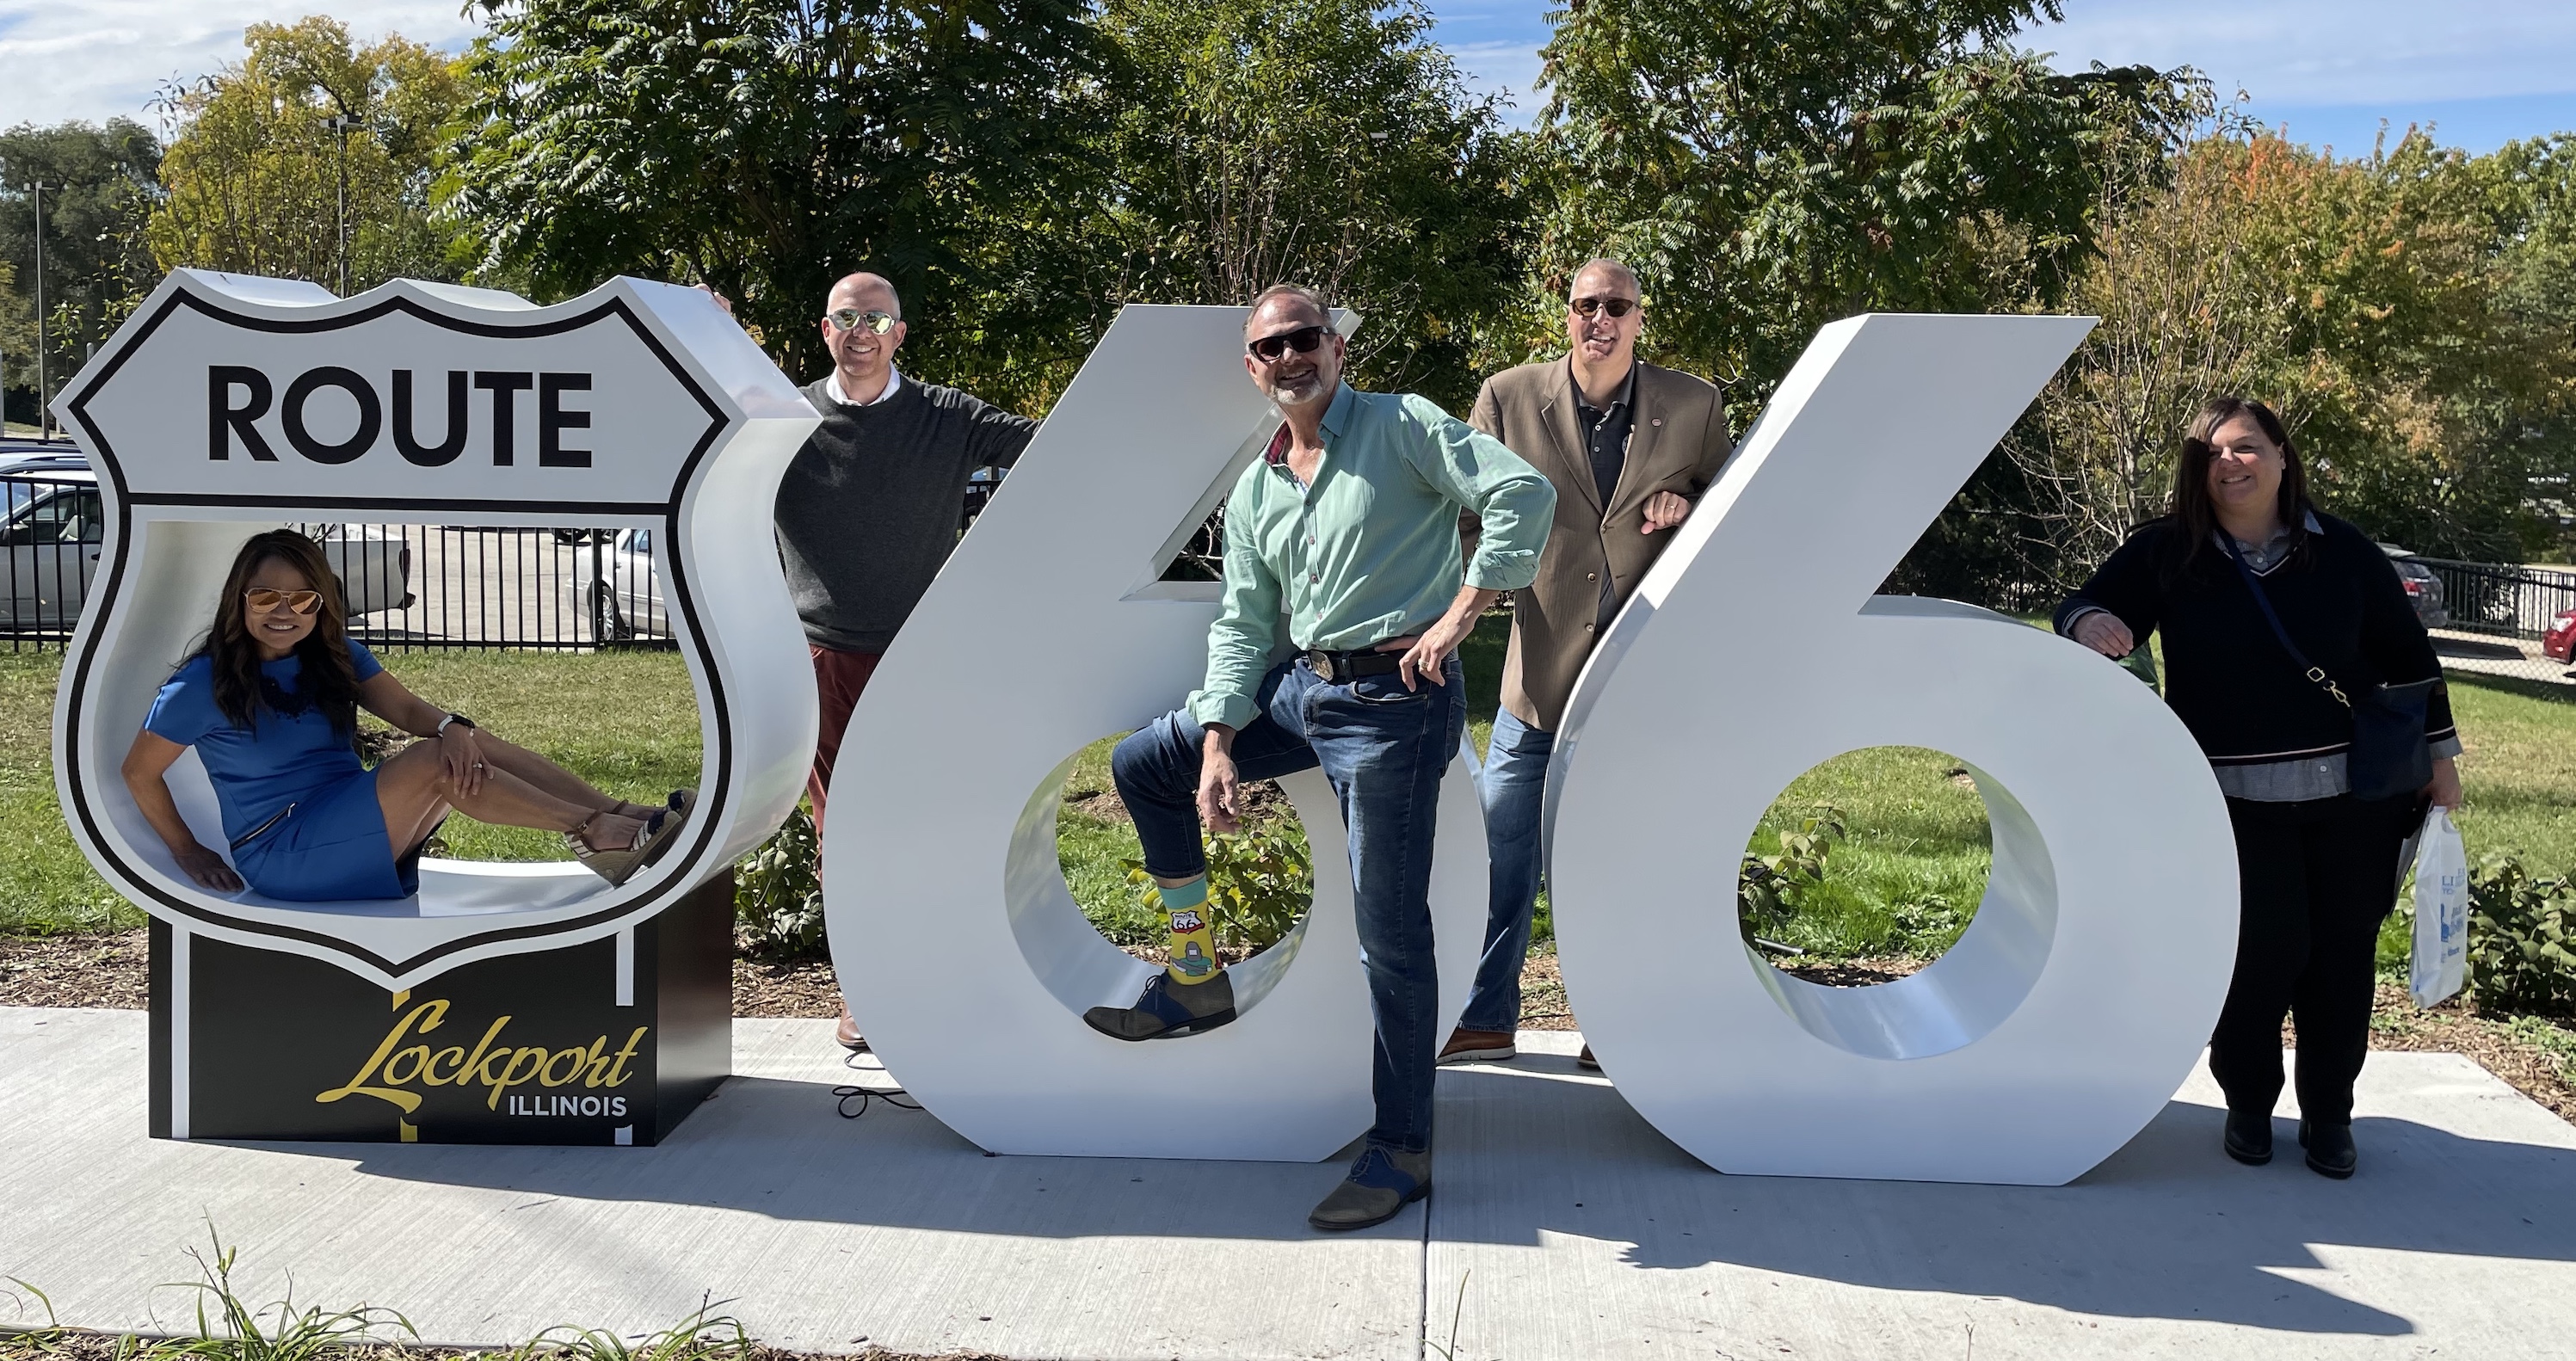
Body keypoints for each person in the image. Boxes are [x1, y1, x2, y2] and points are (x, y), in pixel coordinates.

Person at [1090, 284, 1556, 1230]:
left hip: (1394, 705)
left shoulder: (1401, 427)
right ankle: (1194, 974)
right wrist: (1218, 738)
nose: (1289, 358)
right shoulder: (1259, 484)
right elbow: (1244, 620)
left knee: (1388, 933)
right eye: (1270, 348)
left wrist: (1466, 608)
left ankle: (1402, 1149)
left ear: (1336, 349)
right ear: (1252, 366)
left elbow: (1522, 491)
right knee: (1147, 764)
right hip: (1302, 689)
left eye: (1305, 339)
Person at [2056, 397, 2462, 1180]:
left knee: (2342, 960)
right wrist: (2088, 626)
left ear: (2281, 455)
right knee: (2259, 957)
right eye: (2211, 454)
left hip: (2357, 798)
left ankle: (2329, 1117)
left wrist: (2441, 761)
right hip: (2232, 802)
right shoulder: (2169, 552)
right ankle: (2248, 1102)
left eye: (2245, 447)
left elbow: (2409, 658)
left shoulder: (2343, 552)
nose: (2229, 464)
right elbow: (2083, 603)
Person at [1439, 259, 1734, 1072]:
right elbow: (1469, 514)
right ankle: (1487, 1015)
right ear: (1564, 315)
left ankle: (1614, 1026)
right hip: (1536, 678)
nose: (1598, 319)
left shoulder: (1693, 405)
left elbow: (1735, 509)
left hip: (1639, 684)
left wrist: (1689, 508)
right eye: (1583, 306)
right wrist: (1473, 601)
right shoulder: (1507, 396)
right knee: (1501, 853)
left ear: (1641, 317)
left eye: (1615, 306)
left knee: (1619, 860)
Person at [769, 272, 1041, 1051]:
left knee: (933, 817)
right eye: (847, 318)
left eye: (877, 319)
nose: (862, 331)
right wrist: (712, 330)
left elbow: (1057, 449)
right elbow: (693, 419)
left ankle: (939, 976)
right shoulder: (780, 417)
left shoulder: (948, 416)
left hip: (925, 656)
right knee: (844, 828)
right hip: (826, 658)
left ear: (900, 332)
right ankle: (864, 993)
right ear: (826, 331)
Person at [123, 531, 688, 902]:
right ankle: (595, 833)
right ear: (238, 600)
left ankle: (617, 816)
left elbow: (410, 710)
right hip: (282, 849)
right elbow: (139, 772)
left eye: (302, 599)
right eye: (266, 597)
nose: (285, 612)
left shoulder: (334, 654)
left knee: (463, 741)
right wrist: (187, 849)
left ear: (321, 602)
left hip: (351, 818)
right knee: (433, 760)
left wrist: (455, 727)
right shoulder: (202, 683)